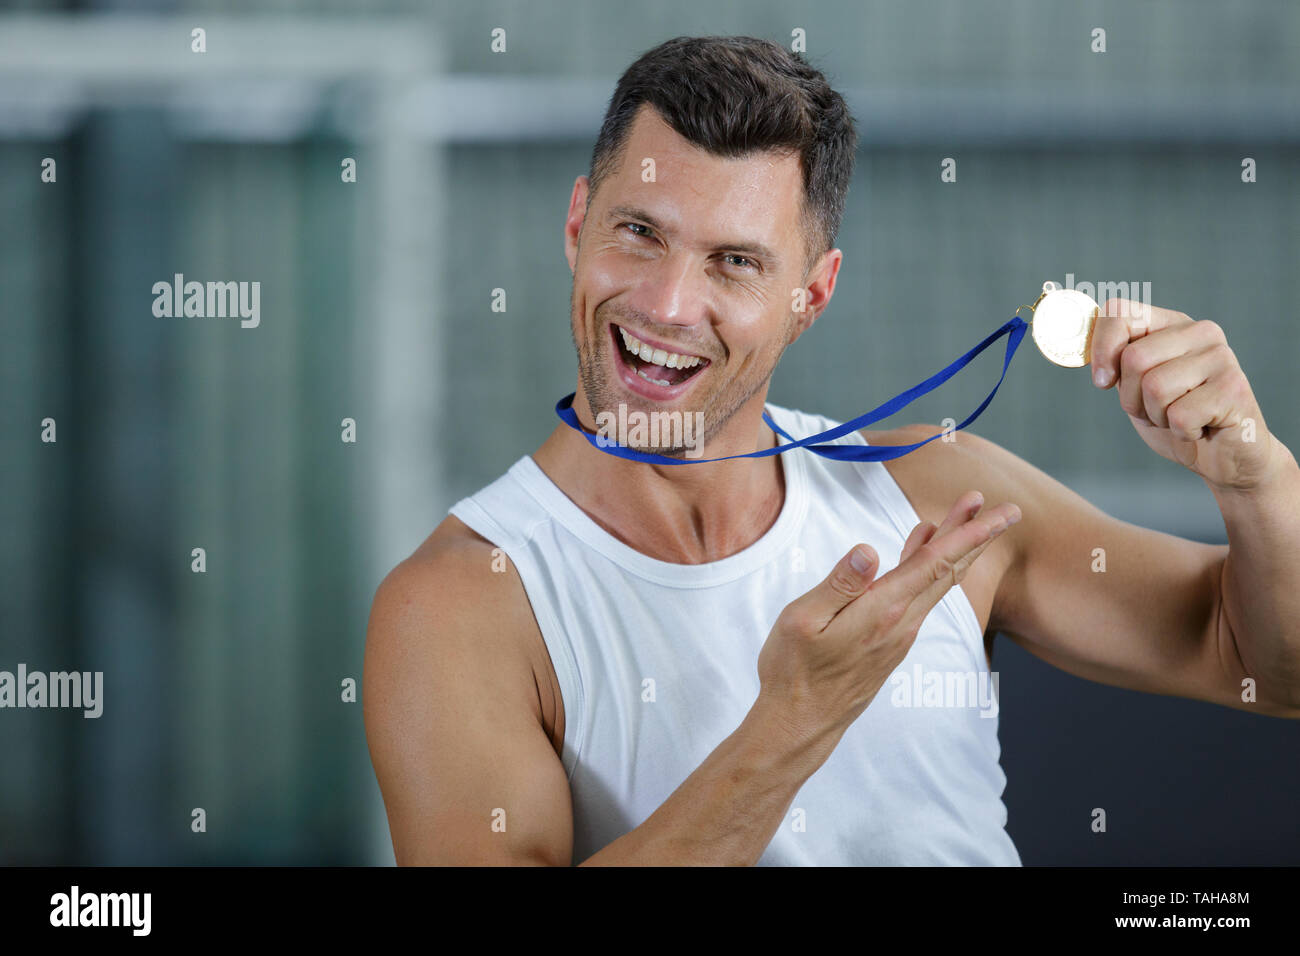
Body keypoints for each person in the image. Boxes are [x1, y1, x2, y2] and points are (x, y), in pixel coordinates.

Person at [363, 35, 1300, 866]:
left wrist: (1259, 481)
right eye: (640, 233)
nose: (667, 305)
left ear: (811, 296)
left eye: (735, 261)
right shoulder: (462, 606)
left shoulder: (941, 494)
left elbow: (1264, 665)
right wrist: (796, 720)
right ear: (578, 225)